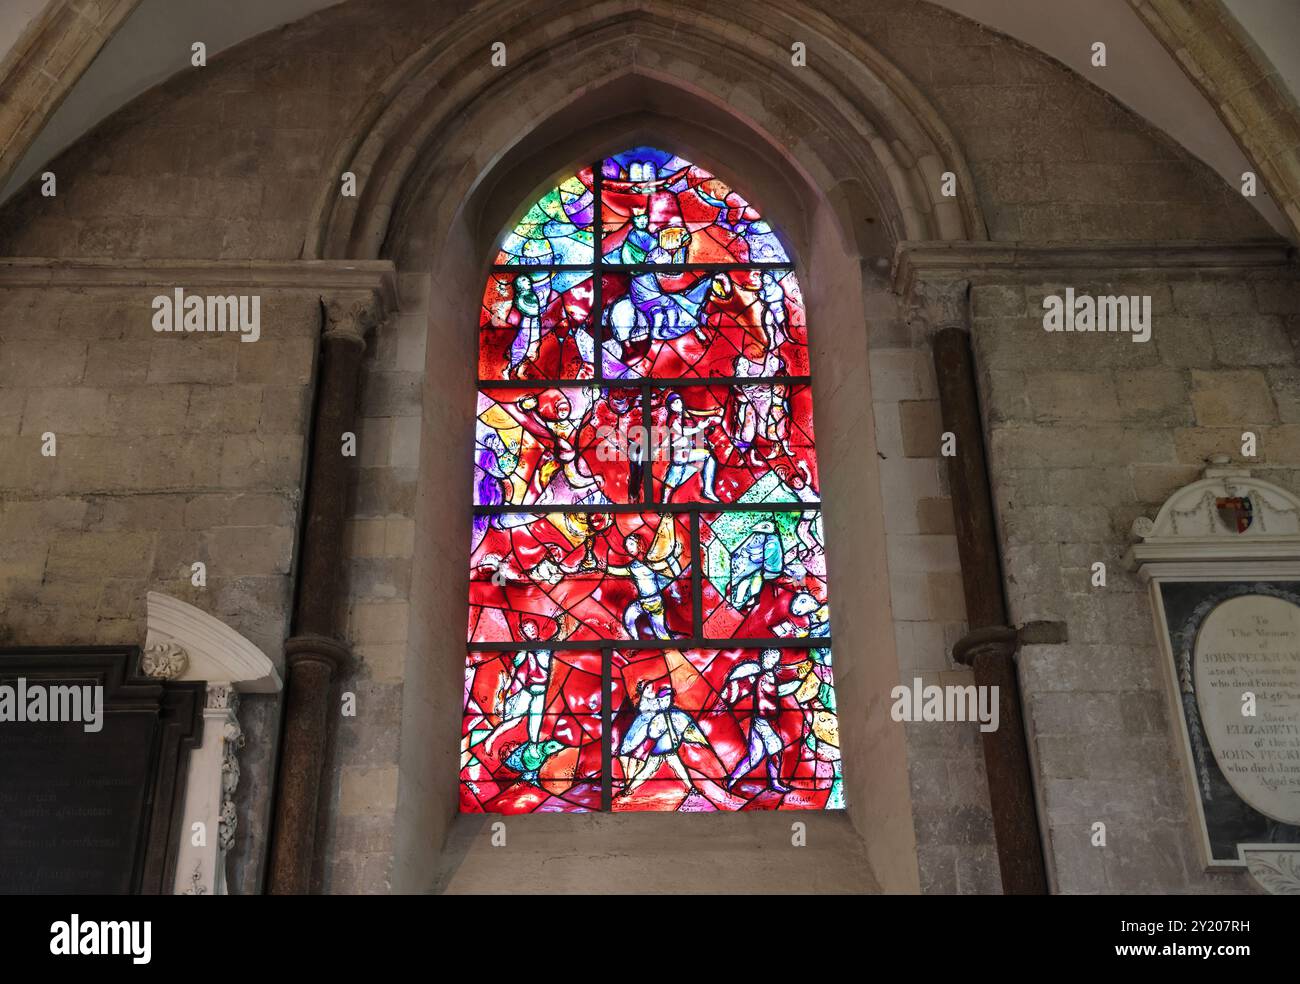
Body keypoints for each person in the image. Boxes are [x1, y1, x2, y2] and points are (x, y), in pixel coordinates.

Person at [720, 649, 803, 794]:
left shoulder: (770, 675)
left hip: (760, 720)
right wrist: (797, 683)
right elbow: (776, 691)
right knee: (776, 749)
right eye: (768, 659)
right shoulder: (763, 678)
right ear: (763, 660)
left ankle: (731, 779)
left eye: (774, 660)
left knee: (755, 756)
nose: (771, 662)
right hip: (762, 721)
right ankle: (775, 783)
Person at [617, 683, 708, 799]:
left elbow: (684, 728)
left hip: (670, 750)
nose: (666, 701)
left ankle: (691, 788)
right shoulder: (657, 717)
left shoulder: (674, 713)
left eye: (668, 699)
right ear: (659, 700)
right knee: (646, 772)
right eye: (664, 699)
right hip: (658, 751)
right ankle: (629, 789)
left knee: (679, 768)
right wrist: (662, 727)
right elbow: (653, 733)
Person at [606, 521, 683, 639]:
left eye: (631, 544)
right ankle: (635, 642)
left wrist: (673, 557)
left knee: (661, 633)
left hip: (654, 602)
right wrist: (605, 568)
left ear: (639, 545)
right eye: (627, 546)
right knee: (628, 618)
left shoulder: (652, 563)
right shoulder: (633, 566)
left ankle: (675, 644)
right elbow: (619, 571)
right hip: (643, 603)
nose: (628, 548)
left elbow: (672, 573)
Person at [661, 392, 722, 502]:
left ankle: (708, 490)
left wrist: (700, 438)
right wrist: (699, 428)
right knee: (672, 482)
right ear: (671, 407)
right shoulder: (673, 419)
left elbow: (684, 438)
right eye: (674, 403)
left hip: (686, 454)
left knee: (708, 456)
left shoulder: (680, 417)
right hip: (678, 456)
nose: (678, 404)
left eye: (679, 401)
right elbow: (683, 432)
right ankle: (664, 504)